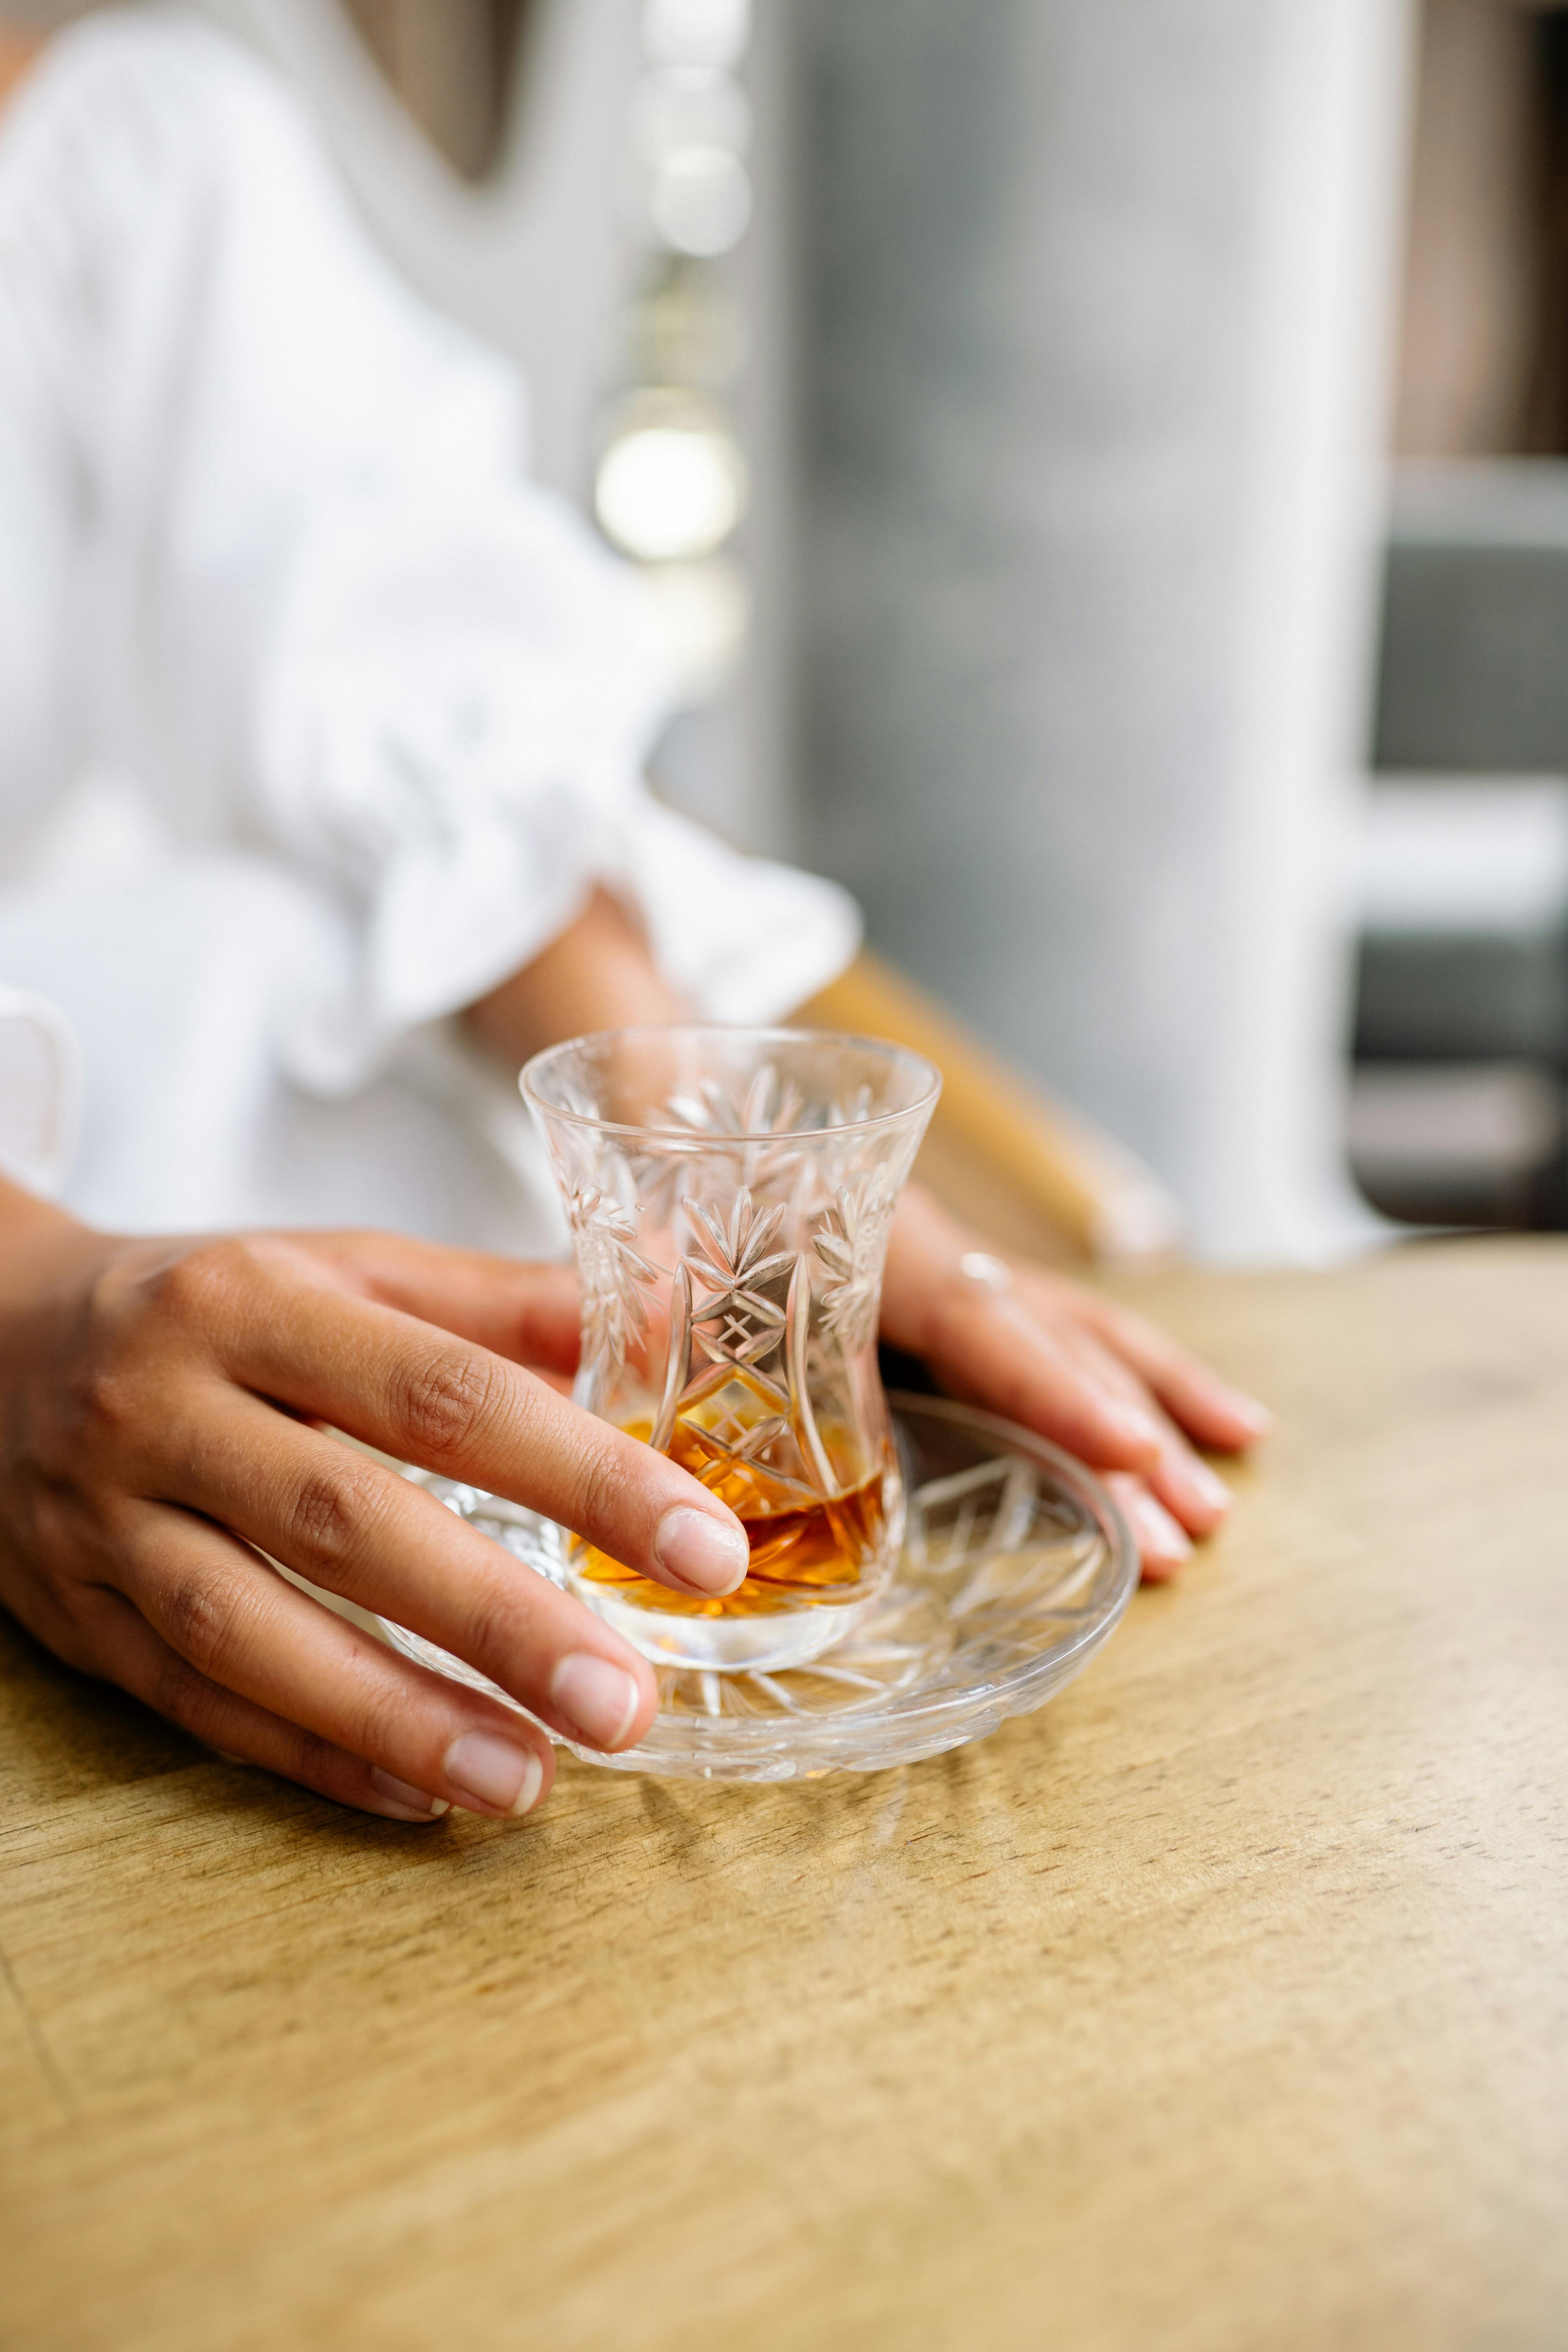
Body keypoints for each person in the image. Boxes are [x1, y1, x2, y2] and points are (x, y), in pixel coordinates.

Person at [0, 5, 1269, 1826]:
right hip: (136, 1501)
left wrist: (698, 1161)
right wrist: (19, 1304)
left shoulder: (141, 145)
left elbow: (393, 658)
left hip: (383, 1387)